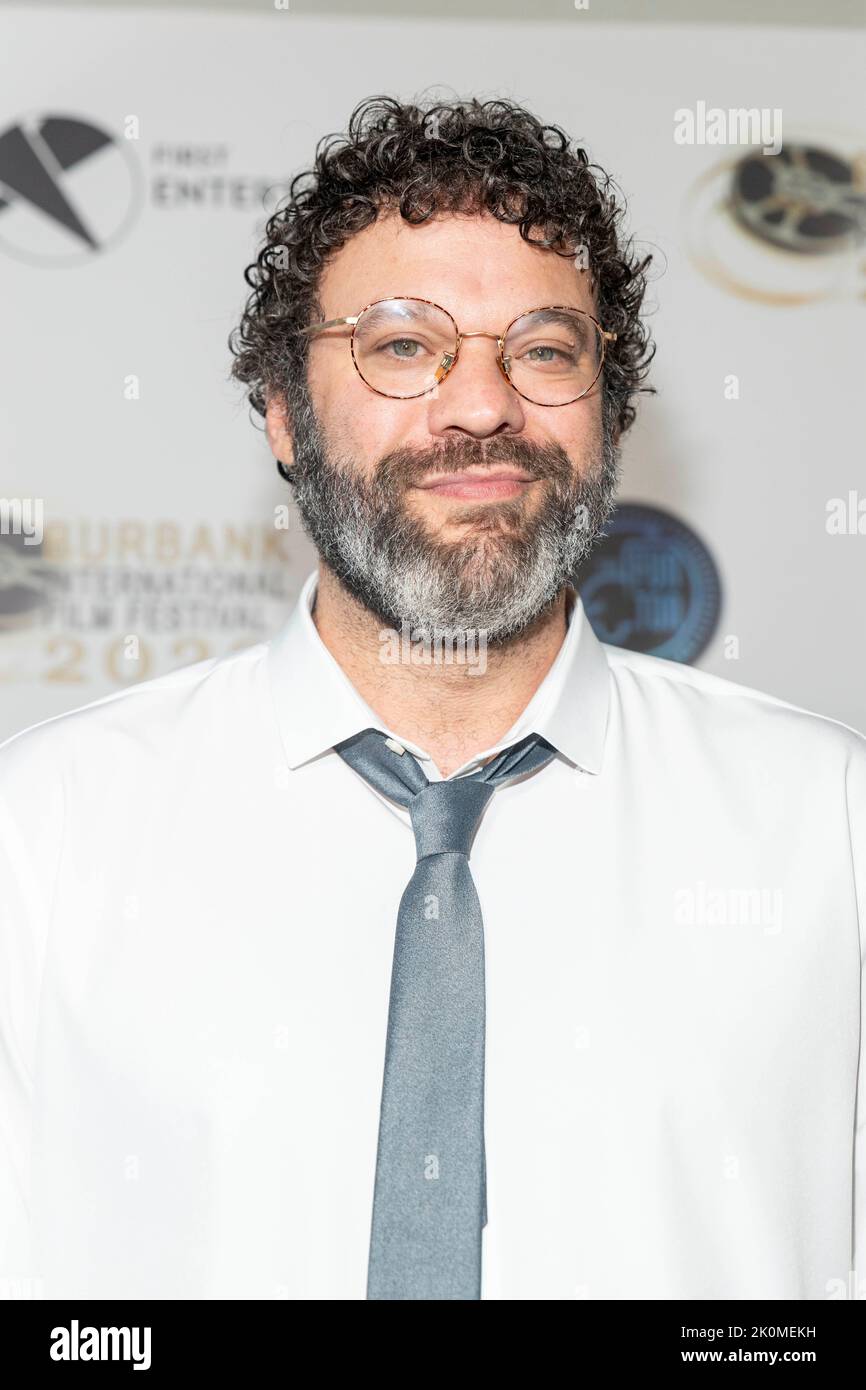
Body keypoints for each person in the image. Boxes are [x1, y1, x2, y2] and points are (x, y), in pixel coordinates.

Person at [1, 95, 863, 1302]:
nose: (481, 405)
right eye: (403, 345)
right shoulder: (45, 832)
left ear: (608, 416)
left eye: (545, 348)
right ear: (284, 415)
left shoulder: (827, 825)